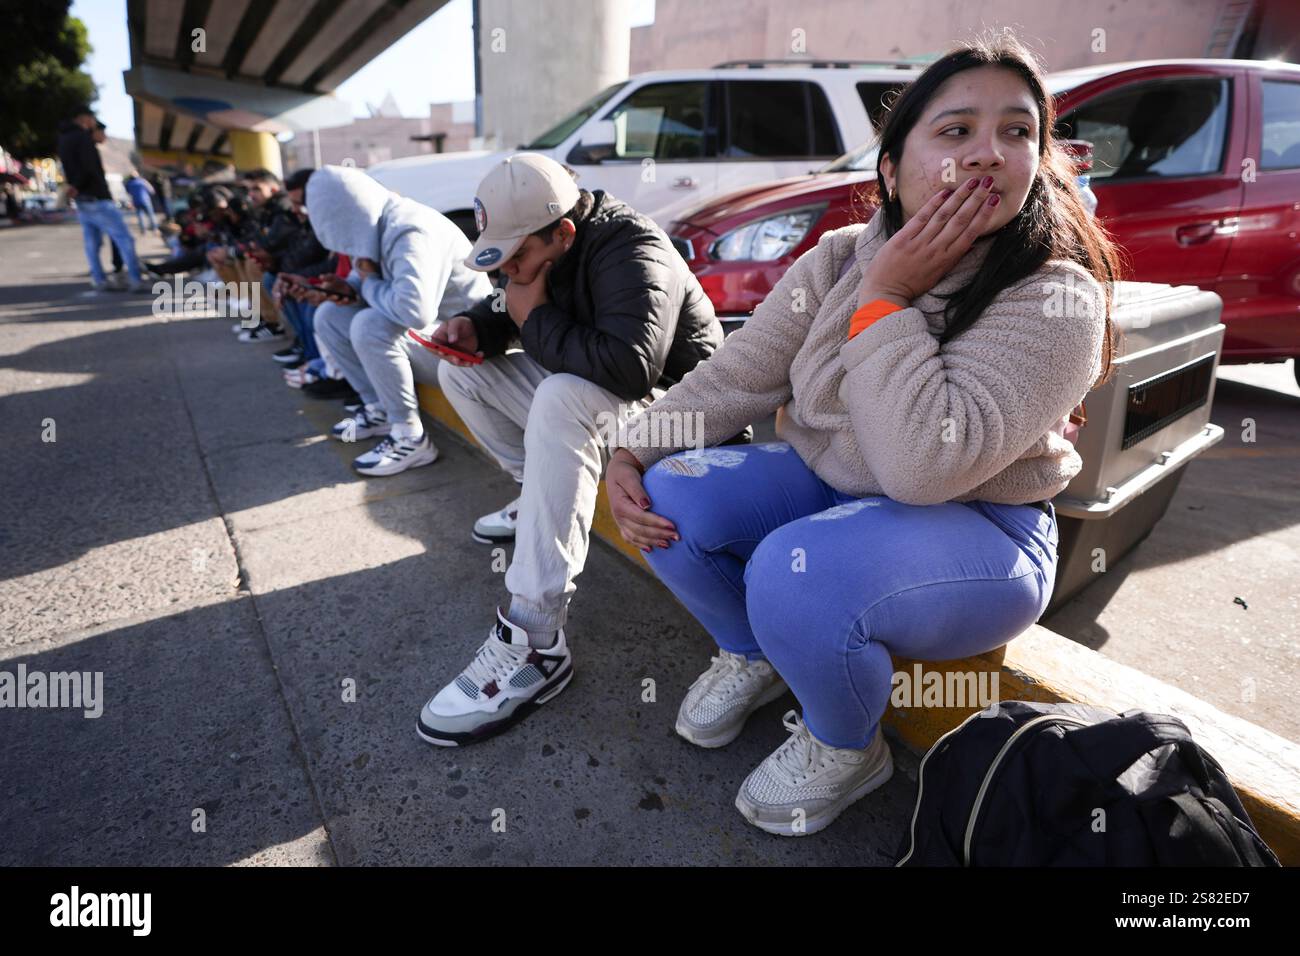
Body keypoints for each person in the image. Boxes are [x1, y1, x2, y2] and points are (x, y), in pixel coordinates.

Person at [604, 34, 1119, 836]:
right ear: (889, 169)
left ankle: (847, 745)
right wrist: (632, 445)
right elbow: (741, 373)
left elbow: (923, 466)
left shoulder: (1055, 296)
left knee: (793, 572)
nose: (989, 154)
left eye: (1017, 132)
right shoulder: (839, 257)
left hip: (980, 525)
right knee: (673, 493)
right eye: (955, 131)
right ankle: (752, 651)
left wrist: (885, 302)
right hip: (840, 483)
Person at [415, 153, 729, 747]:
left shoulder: (635, 248)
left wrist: (532, 320)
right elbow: (512, 305)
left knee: (560, 394)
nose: (509, 272)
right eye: (499, 260)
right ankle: (537, 492)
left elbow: (631, 369)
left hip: (688, 418)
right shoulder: (549, 248)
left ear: (562, 232)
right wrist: (476, 328)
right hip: (618, 407)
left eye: (516, 258)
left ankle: (536, 639)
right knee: (464, 374)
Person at [307, 165, 492, 475]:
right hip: (436, 340)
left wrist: (365, 284)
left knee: (369, 325)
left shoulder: (410, 229)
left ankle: (410, 437)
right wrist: (347, 289)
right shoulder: (373, 223)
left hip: (470, 350)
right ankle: (378, 410)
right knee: (330, 315)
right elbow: (366, 278)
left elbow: (413, 311)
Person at [57, 107, 148, 293]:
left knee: (92, 243)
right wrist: (79, 185)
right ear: (84, 119)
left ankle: (99, 279)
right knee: (125, 239)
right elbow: (89, 167)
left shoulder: (63, 139)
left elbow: (70, 168)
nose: (93, 124)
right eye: (92, 119)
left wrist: (74, 187)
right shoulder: (82, 137)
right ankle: (135, 279)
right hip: (96, 196)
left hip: (81, 198)